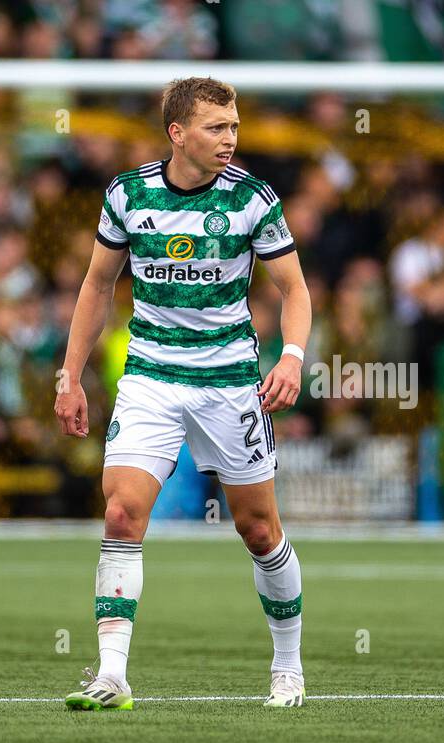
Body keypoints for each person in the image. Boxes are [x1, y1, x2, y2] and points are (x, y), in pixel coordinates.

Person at [54, 77, 312, 710]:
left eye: (234, 126)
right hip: (151, 377)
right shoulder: (129, 194)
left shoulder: (253, 200)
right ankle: (112, 675)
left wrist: (293, 358)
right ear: (178, 133)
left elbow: (295, 291)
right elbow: (96, 286)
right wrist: (71, 374)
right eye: (217, 127)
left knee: (258, 530)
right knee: (121, 513)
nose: (231, 138)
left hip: (229, 383)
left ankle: (288, 665)